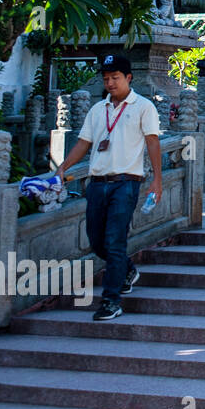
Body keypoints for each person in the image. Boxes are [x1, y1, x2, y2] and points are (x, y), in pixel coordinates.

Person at [55, 54, 162, 321]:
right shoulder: (97, 109)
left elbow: (152, 143)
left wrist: (157, 181)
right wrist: (62, 168)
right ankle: (126, 269)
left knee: (115, 240)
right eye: (106, 79)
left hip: (126, 183)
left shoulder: (143, 106)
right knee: (97, 242)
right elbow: (83, 143)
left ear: (128, 78)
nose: (110, 83)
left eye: (115, 78)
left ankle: (111, 301)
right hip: (97, 183)